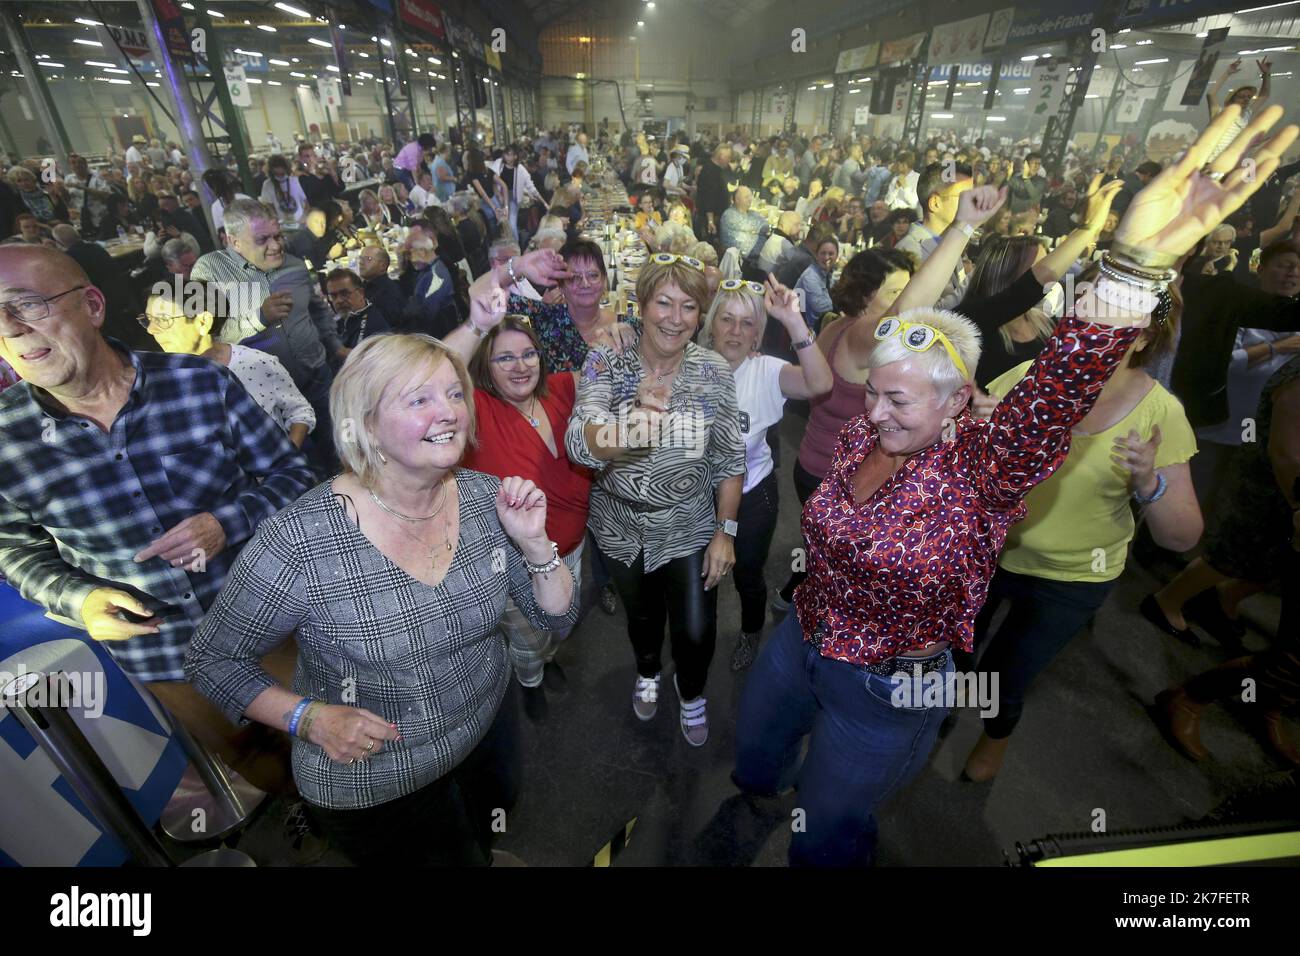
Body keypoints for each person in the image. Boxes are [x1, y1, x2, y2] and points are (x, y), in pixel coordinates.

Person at [732, 103, 1296, 866]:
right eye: (873, 390)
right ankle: (753, 792)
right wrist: (959, 230)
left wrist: (1129, 266)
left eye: (898, 399)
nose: (873, 411)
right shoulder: (872, 426)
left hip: (889, 690)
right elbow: (906, 317)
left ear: (959, 399)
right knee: (756, 753)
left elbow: (1059, 389)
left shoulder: (983, 467)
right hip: (802, 637)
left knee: (827, 832)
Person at [185, 334, 579, 866]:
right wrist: (309, 718)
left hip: (488, 727)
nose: (449, 414)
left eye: (454, 394)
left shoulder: (487, 498)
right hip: (379, 779)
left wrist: (535, 545)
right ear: (365, 423)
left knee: (489, 826)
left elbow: (555, 615)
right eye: (418, 400)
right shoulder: (300, 540)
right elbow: (211, 659)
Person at [0, 245, 315, 794]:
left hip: (271, 623)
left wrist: (227, 522)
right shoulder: (5, 440)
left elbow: (295, 479)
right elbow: (15, 550)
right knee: (251, 754)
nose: (11, 329)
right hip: (163, 654)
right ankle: (306, 813)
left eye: (25, 304)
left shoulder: (199, 384)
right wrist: (80, 601)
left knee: (327, 732)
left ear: (92, 306)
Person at [961, 274, 1202, 782]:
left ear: (1140, 334)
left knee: (1005, 676)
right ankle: (932, 718)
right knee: (953, 652)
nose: (1085, 323)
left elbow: (1181, 538)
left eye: (1106, 314)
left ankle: (995, 736)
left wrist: (1148, 481)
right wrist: (976, 428)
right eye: (1085, 309)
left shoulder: (1163, 413)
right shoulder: (1032, 376)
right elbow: (966, 467)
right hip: (988, 553)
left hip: (1071, 578)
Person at [565, 253, 746, 746]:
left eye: (689, 307)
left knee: (695, 628)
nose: (675, 317)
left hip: (687, 522)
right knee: (641, 617)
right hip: (619, 524)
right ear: (639, 306)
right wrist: (626, 430)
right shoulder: (607, 358)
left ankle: (691, 693)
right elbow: (579, 442)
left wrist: (725, 533)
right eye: (663, 302)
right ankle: (647, 671)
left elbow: (730, 459)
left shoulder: (713, 372)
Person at [433, 292, 596, 717]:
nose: (520, 366)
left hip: (573, 547)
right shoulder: (477, 412)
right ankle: (530, 679)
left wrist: (616, 337)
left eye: (528, 354)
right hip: (513, 558)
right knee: (529, 639)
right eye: (505, 358)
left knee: (563, 620)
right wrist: (476, 325)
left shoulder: (563, 389)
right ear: (486, 366)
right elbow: (432, 373)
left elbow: (614, 370)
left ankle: (545, 660)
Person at [773, 247, 916, 610]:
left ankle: (791, 597)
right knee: (835, 558)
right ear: (868, 295)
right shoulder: (861, 336)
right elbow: (904, 316)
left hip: (812, 467)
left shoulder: (837, 325)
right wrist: (961, 229)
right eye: (896, 292)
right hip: (831, 477)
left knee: (819, 547)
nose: (906, 300)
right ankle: (805, 618)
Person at [701, 275, 832, 670]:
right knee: (699, 577)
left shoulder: (767, 372)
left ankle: (749, 632)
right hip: (695, 499)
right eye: (727, 319)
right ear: (712, 324)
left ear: (758, 333)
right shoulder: (689, 364)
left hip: (751, 498)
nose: (735, 331)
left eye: (747, 323)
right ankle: (699, 638)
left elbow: (820, 383)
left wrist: (793, 322)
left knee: (747, 574)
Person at [190, 198, 341, 474]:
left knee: (340, 450)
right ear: (234, 241)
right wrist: (259, 318)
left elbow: (317, 310)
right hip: (266, 398)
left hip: (316, 377)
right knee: (297, 470)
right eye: (262, 240)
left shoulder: (294, 264)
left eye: (277, 236)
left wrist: (335, 345)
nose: (276, 245)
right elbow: (205, 333)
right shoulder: (209, 271)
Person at [142, 283, 315, 446]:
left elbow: (300, 411)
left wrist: (288, 460)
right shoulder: (161, 383)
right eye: (149, 319)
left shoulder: (255, 363)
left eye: (163, 319)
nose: (151, 329)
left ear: (203, 322)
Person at [470, 238, 635, 373]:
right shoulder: (543, 317)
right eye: (574, 277)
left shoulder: (627, 327)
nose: (585, 283)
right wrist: (519, 266)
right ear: (561, 284)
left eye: (593, 275)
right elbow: (478, 293)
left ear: (605, 280)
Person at [895, 162, 973, 309]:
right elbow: (915, 313)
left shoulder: (950, 240)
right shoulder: (908, 252)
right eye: (963, 196)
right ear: (935, 203)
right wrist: (974, 281)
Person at [324, 268, 392, 359]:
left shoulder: (372, 324)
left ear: (360, 293)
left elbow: (361, 360)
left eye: (345, 293)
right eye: (333, 296)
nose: (339, 300)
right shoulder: (345, 317)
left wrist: (336, 349)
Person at [358, 244, 407, 322]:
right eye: (360, 258)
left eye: (368, 259)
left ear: (382, 265)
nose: (361, 262)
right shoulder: (362, 286)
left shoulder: (389, 293)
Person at [260, 155, 309, 225]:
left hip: (300, 221)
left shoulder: (296, 181)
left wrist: (304, 217)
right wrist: (275, 218)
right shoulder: (268, 184)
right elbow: (268, 205)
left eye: (282, 174)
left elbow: (307, 202)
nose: (280, 177)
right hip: (282, 223)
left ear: (287, 170)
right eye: (277, 174)